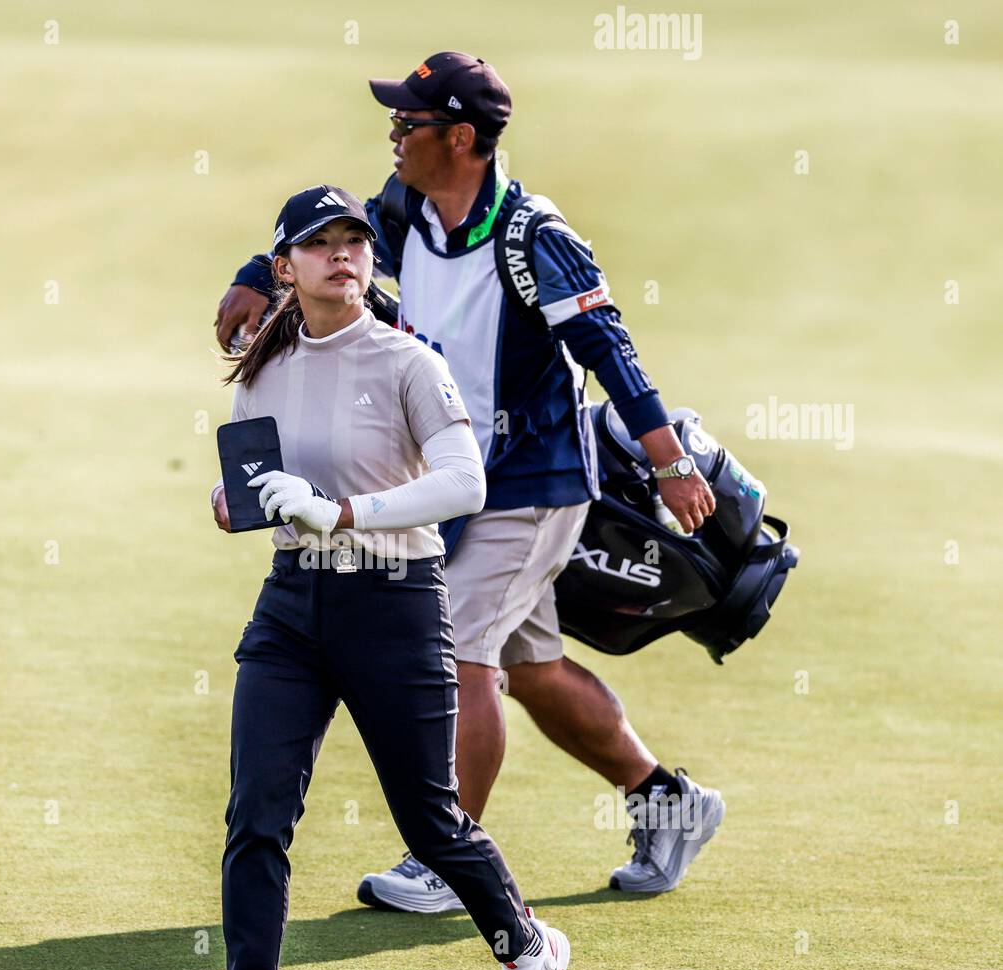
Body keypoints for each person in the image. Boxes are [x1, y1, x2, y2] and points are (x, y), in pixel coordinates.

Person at [214, 52, 726, 904]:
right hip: (456, 474)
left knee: (461, 653)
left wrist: (668, 459)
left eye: (407, 124)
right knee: (532, 668)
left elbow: (612, 351)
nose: (393, 135)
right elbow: (326, 239)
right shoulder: (407, 210)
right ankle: (668, 801)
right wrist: (247, 274)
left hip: (531, 484)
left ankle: (447, 857)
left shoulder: (535, 237)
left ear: (459, 138)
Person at [172, 185, 570, 970]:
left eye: (355, 239)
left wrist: (342, 510)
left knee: (431, 820)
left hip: (395, 602)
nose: (343, 253)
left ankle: (526, 951)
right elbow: (273, 487)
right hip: (290, 609)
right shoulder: (265, 366)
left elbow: (465, 482)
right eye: (320, 244)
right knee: (256, 812)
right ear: (286, 268)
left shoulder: (407, 362)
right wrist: (241, 504)